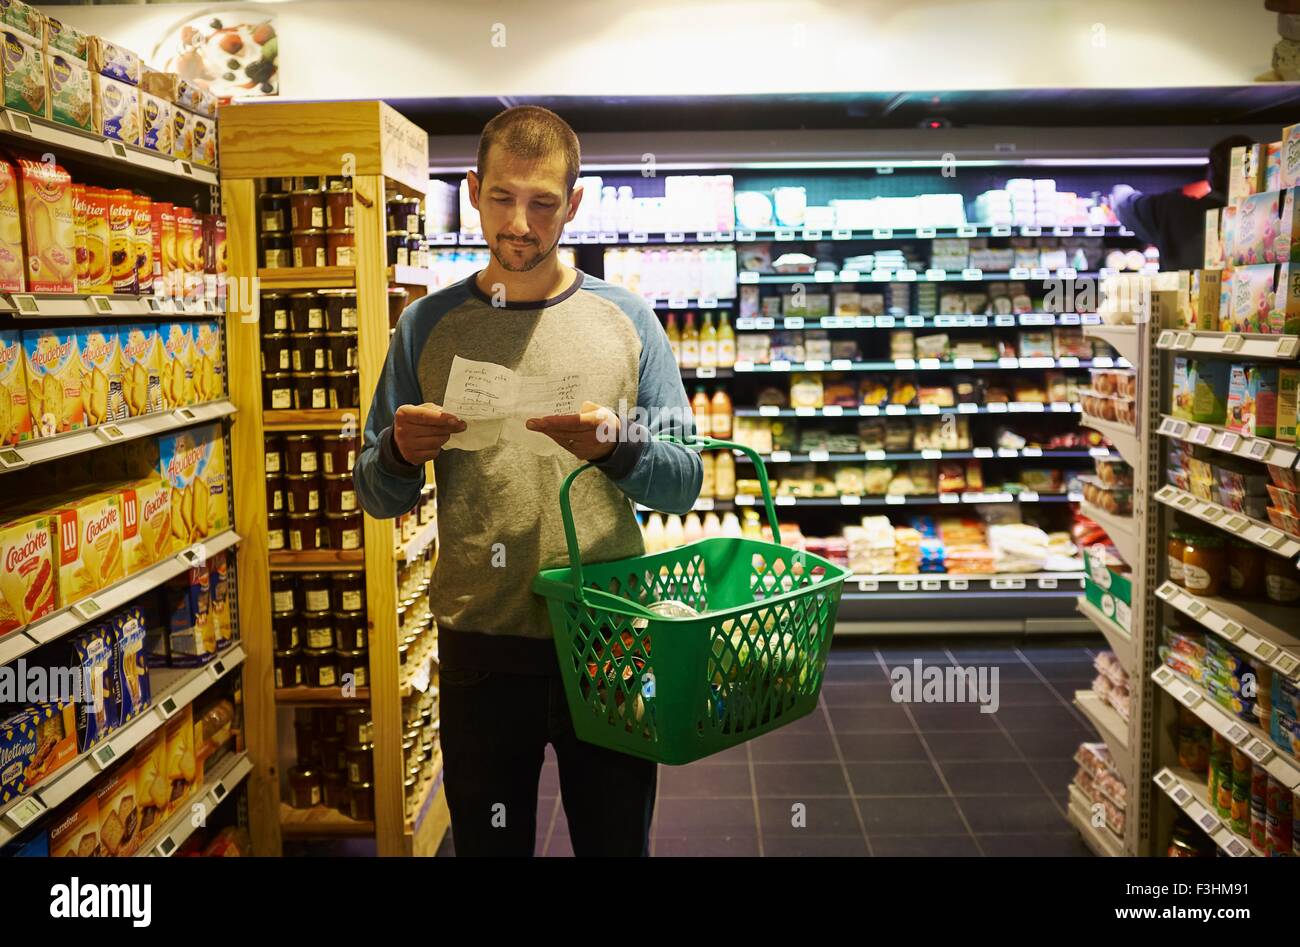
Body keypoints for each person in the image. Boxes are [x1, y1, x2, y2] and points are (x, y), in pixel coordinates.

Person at [353, 106, 702, 857]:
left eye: (543, 203)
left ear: (573, 204)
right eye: (503, 197)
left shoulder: (629, 319)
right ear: (474, 191)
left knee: (616, 843)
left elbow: (684, 481)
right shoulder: (425, 326)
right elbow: (376, 496)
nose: (520, 222)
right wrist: (398, 455)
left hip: (608, 638)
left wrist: (618, 447)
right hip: (482, 647)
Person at [1109, 134, 1254, 271]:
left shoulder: (1175, 210)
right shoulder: (1264, 214)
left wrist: (1120, 190)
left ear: (1212, 171)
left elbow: (1123, 203)